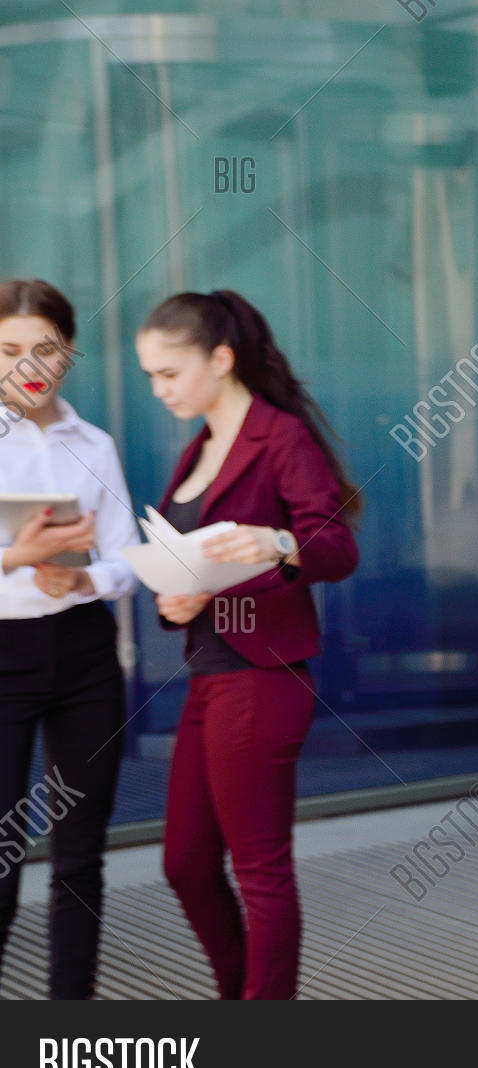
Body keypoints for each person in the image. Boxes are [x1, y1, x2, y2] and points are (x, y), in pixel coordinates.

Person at [137, 290, 359, 999]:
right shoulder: (198, 448)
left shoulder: (278, 436)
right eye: (150, 375)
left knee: (259, 872)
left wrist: (282, 542)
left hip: (264, 678)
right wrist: (180, 599)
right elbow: (198, 569)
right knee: (185, 864)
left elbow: (337, 547)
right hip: (210, 675)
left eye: (169, 372)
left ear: (221, 359)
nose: (159, 388)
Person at [0, 278, 138, 998]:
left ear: (68, 353)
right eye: (9, 349)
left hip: (84, 653)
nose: (28, 364)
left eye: (45, 349)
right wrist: (15, 560)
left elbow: (126, 560)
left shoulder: (96, 444)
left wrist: (82, 579)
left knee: (81, 853)